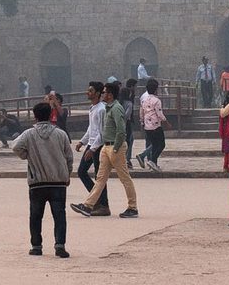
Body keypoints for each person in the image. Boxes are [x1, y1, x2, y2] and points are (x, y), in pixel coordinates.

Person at [12, 101, 73, 258]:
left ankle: (36, 246)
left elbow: (15, 147)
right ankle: (60, 245)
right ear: (51, 115)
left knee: (35, 215)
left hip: (37, 182)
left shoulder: (29, 134)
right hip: (58, 182)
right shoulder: (61, 134)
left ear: (35, 116)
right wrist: (67, 175)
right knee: (59, 215)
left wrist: (26, 155)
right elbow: (69, 157)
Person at [72, 81, 138, 218]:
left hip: (114, 147)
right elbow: (94, 129)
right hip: (105, 147)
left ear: (110, 94)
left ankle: (133, 207)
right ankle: (88, 205)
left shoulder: (116, 108)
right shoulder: (108, 108)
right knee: (100, 178)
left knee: (125, 178)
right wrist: (84, 142)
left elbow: (121, 130)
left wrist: (116, 148)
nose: (103, 94)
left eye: (105, 92)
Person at [74, 81, 109, 216]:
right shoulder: (93, 108)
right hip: (91, 144)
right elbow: (91, 128)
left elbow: (101, 132)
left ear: (98, 93)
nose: (87, 93)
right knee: (82, 172)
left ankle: (103, 205)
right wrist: (83, 142)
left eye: (90, 91)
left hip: (98, 146)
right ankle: (97, 201)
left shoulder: (102, 109)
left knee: (99, 176)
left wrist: (93, 149)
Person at [137, 78, 172, 172]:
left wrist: (141, 121)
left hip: (147, 126)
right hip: (156, 126)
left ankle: (153, 163)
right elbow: (159, 114)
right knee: (161, 144)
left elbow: (142, 112)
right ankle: (152, 160)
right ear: (156, 89)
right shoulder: (156, 101)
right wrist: (166, 122)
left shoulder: (144, 100)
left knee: (155, 144)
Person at [121, 79, 137, 168]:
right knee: (129, 141)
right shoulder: (129, 103)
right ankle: (126, 159)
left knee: (126, 141)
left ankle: (125, 159)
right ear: (131, 87)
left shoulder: (120, 101)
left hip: (122, 124)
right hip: (127, 124)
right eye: (135, 86)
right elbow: (127, 115)